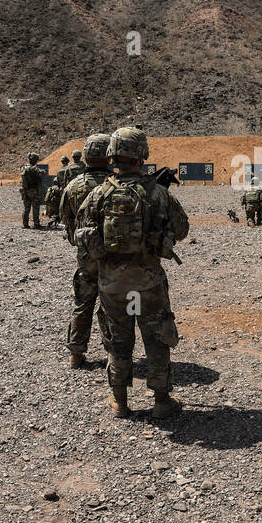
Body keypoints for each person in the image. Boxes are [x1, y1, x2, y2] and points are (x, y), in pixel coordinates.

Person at [75, 127, 189, 419]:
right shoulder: (157, 192)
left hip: (113, 286)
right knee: (156, 338)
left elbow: (82, 236)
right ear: (141, 154)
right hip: (147, 284)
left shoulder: (98, 194)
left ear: (112, 154)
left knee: (118, 340)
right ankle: (162, 402)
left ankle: (120, 402)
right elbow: (182, 229)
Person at [60, 133, 113, 369]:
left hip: (85, 255)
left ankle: (76, 354)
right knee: (111, 305)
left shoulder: (72, 186)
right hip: (114, 256)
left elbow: (66, 220)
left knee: (82, 304)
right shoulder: (117, 184)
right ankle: (114, 353)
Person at [20, 153, 43, 229]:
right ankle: (36, 224)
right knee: (35, 207)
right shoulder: (34, 168)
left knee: (26, 208)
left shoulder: (23, 167)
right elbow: (42, 173)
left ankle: (25, 224)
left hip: (25, 191)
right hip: (33, 191)